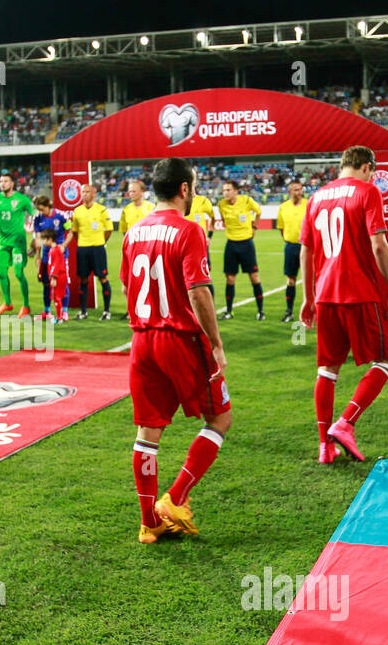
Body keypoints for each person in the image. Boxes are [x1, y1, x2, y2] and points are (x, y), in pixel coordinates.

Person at [121, 156, 230, 543]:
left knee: (148, 431)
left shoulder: (133, 233)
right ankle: (176, 498)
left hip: (141, 340)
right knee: (219, 418)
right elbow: (199, 292)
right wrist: (215, 343)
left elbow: (125, 288)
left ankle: (148, 522)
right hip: (180, 339)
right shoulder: (189, 230)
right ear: (185, 189)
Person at [299, 145, 388, 464]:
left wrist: (307, 297)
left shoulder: (316, 197)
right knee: (386, 361)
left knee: (327, 370)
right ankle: (346, 423)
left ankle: (324, 446)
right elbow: (379, 244)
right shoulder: (368, 192)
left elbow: (306, 251)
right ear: (367, 167)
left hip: (326, 293)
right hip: (359, 291)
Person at [0, 172, 34, 316]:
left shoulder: (22, 200)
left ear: (12, 183)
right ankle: (7, 303)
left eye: (6, 181)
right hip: (4, 243)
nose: (3, 184)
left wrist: (35, 239)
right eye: (1, 181)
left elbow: (34, 216)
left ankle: (26, 306)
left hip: (18, 244)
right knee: (1, 273)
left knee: (19, 273)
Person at [216, 180, 264, 319]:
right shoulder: (221, 205)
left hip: (246, 244)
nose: (225, 193)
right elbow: (223, 220)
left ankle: (261, 311)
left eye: (228, 190)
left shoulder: (247, 201)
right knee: (230, 279)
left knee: (254, 277)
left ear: (236, 191)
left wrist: (254, 227)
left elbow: (258, 211)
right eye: (224, 190)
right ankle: (229, 311)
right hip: (231, 244)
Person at [70, 182, 113, 320]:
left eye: (87, 191)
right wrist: (83, 243)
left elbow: (109, 229)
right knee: (83, 279)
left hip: (97, 248)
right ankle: (83, 312)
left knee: (103, 278)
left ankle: (106, 311)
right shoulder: (77, 211)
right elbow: (74, 231)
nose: (84, 194)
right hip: (82, 248)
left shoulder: (101, 210)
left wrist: (101, 242)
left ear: (93, 194)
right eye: (83, 192)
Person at [31, 194, 68, 320]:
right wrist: (38, 257)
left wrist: (64, 245)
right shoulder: (37, 218)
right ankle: (47, 311)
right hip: (46, 256)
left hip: (60, 255)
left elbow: (71, 231)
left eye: (42, 209)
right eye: (38, 209)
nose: (41, 212)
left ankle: (64, 311)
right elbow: (38, 240)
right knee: (46, 283)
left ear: (48, 205)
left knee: (62, 284)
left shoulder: (61, 216)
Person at [275, 179, 308, 323]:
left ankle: (315, 311)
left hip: (308, 247)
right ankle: (289, 312)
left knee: (312, 280)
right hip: (291, 247)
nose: (299, 192)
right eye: (295, 190)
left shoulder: (309, 204)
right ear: (289, 192)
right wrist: (290, 240)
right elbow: (281, 229)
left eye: (300, 189)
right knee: (291, 280)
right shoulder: (283, 207)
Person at [39, 226, 68, 322]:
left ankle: (59, 318)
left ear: (50, 239)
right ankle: (60, 316)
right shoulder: (53, 250)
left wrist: (54, 278)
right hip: (57, 277)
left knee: (57, 297)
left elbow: (56, 265)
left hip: (58, 277)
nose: (43, 243)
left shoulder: (55, 251)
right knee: (56, 297)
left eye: (44, 240)